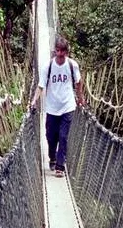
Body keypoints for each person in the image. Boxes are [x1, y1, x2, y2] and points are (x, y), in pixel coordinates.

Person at [32, 36, 84, 176]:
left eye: (63, 51)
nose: (60, 54)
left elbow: (78, 83)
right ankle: (53, 157)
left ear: (67, 52)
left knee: (63, 137)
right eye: (58, 51)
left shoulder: (73, 65)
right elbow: (41, 85)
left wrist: (81, 99)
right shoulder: (47, 66)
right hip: (51, 107)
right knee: (50, 137)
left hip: (68, 106)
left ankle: (60, 166)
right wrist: (34, 100)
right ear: (55, 51)